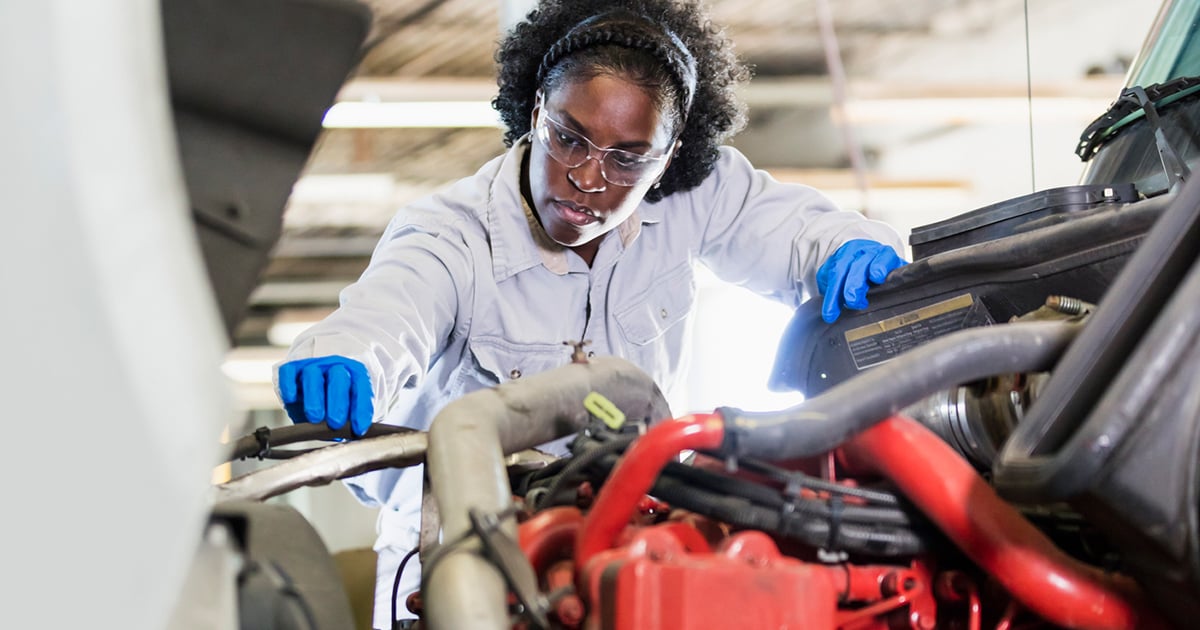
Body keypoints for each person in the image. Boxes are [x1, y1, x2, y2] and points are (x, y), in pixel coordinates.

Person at [274, 0, 906, 626]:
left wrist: (849, 250)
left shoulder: (694, 195)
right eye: (568, 137)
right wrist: (344, 356)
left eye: (627, 157)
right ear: (533, 113)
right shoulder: (453, 236)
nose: (587, 176)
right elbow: (387, 313)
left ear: (670, 154)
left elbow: (798, 232)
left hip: (627, 541)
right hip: (454, 554)